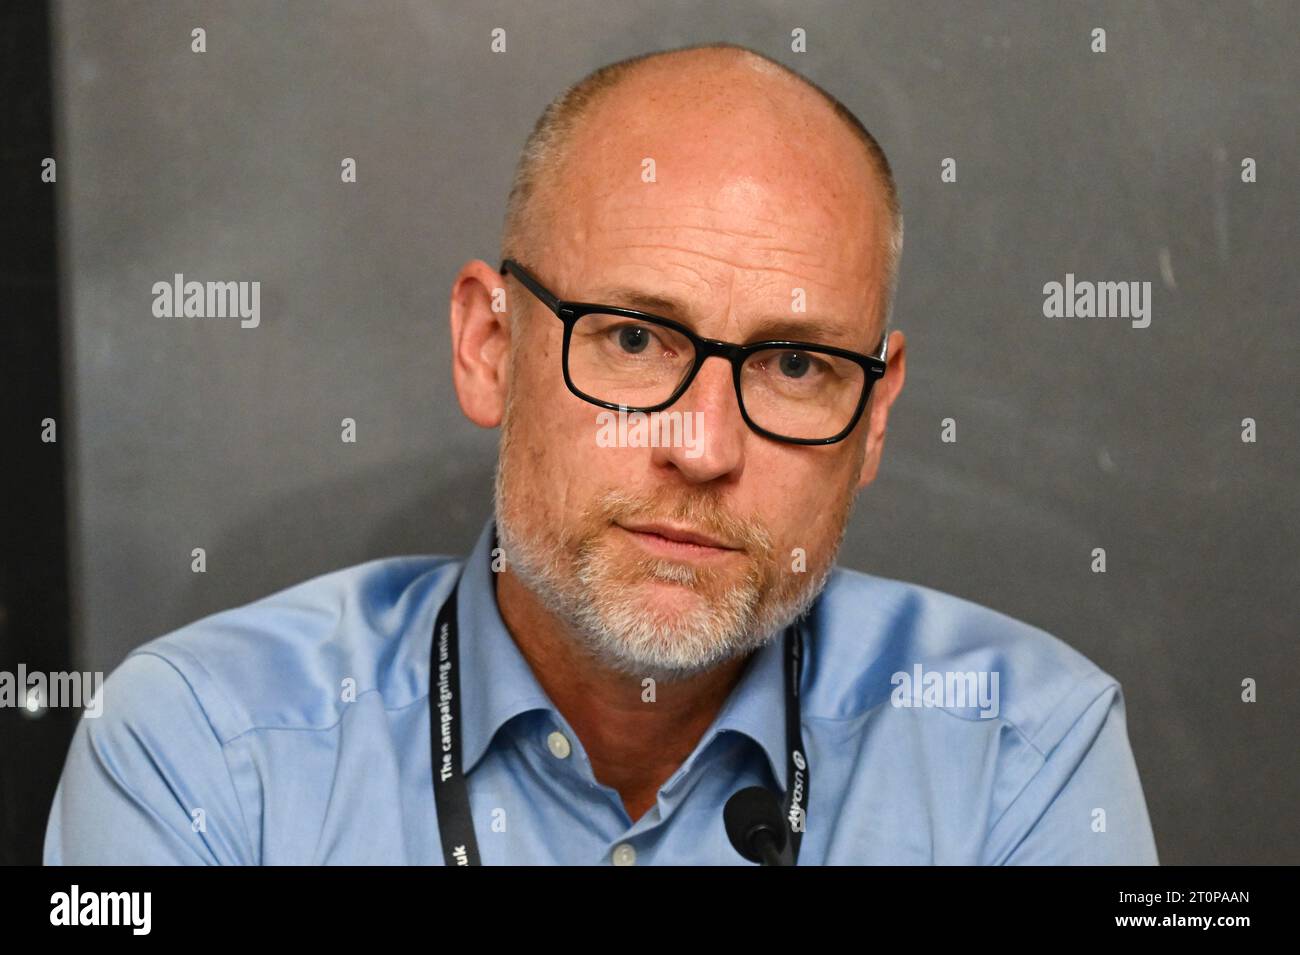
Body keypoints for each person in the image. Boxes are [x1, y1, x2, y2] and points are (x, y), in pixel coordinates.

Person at [45, 42, 1158, 865]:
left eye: (795, 366)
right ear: (490, 346)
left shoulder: (1024, 749)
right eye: (633, 338)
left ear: (873, 418)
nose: (706, 446)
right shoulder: (199, 747)